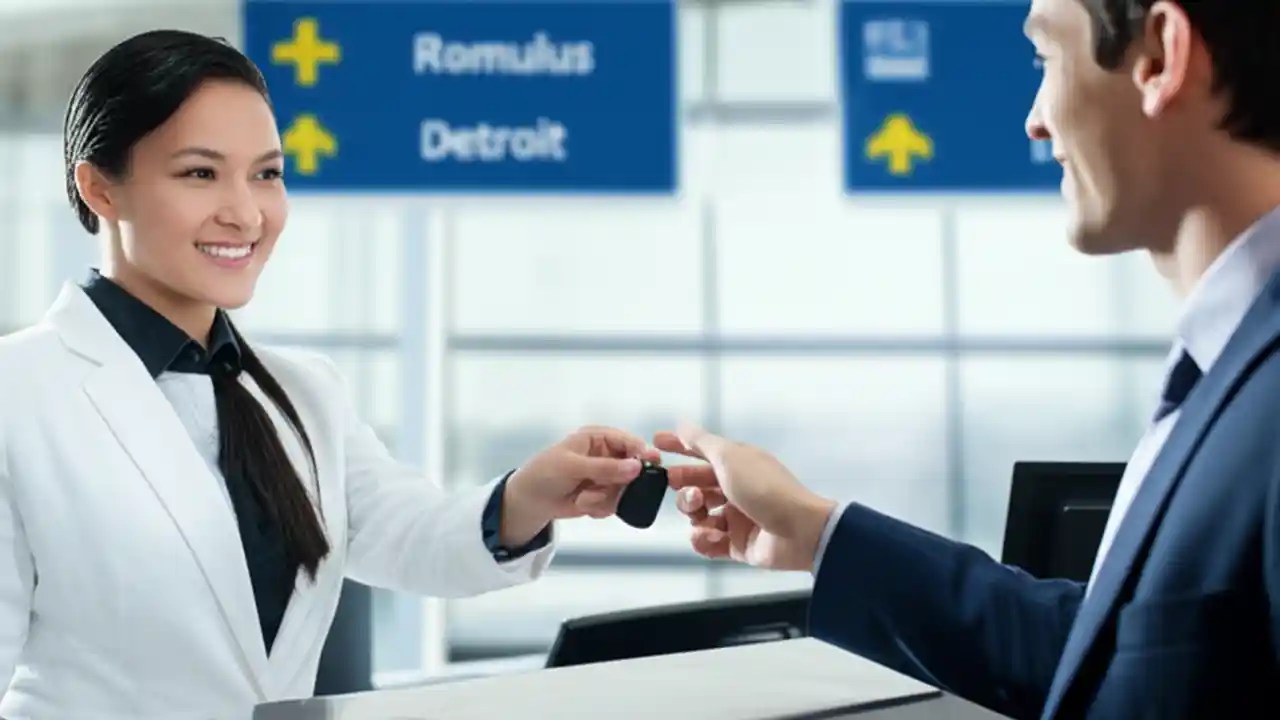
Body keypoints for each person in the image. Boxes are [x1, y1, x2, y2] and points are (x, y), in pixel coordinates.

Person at [0, 30, 658, 719]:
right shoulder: (20, 392)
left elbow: (412, 537)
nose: (246, 212)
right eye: (200, 173)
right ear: (100, 187)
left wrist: (531, 494)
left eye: (267, 173)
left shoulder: (301, 391)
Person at [656, 0, 1280, 718]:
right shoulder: (1225, 373)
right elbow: (1099, 663)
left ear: (1160, 58)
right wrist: (818, 533)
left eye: (1046, 58)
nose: (1035, 120)